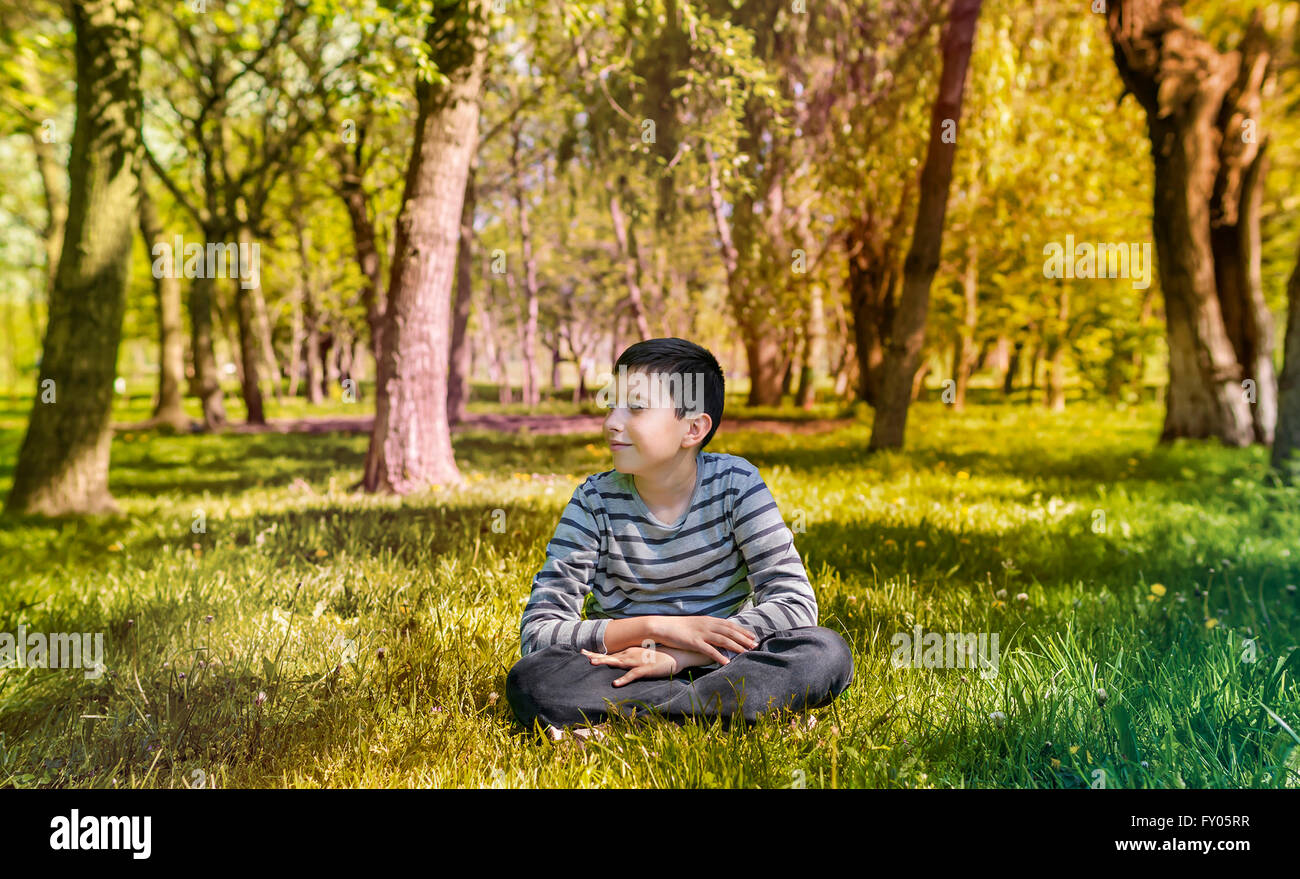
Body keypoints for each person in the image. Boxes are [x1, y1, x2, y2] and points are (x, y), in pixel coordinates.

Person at [506, 337, 854, 735]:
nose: (611, 423)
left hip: (718, 662)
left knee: (826, 652)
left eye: (635, 407)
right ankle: (728, 712)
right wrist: (656, 629)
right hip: (624, 669)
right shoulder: (593, 502)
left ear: (693, 428)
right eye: (611, 406)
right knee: (532, 680)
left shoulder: (736, 485)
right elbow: (538, 631)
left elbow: (794, 603)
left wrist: (679, 655)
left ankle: (640, 717)